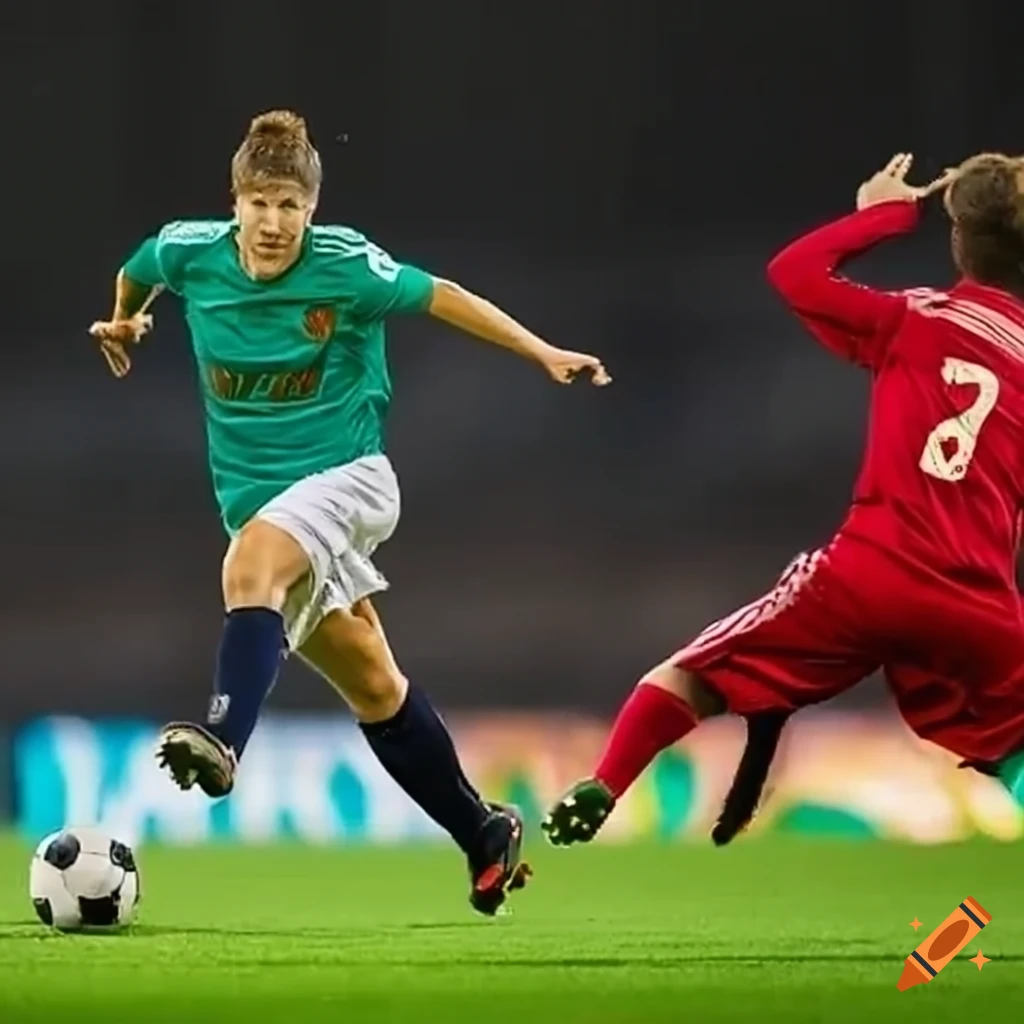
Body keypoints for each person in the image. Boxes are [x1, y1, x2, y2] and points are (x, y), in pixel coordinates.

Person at [88, 109, 611, 914]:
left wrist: (541, 352)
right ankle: (483, 831)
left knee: (247, 567)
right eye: (258, 204)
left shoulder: (345, 268)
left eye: (288, 207)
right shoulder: (189, 252)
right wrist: (126, 320)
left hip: (349, 479)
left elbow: (445, 297)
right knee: (371, 679)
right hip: (258, 502)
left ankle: (224, 741)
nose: (271, 224)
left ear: (311, 212)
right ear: (234, 202)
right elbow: (138, 267)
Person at [544, 152, 1024, 848]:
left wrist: (882, 216)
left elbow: (794, 274)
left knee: (688, 676)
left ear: (960, 242)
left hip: (870, 573)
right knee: (1013, 742)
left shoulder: (915, 320)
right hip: (976, 601)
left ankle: (608, 782)